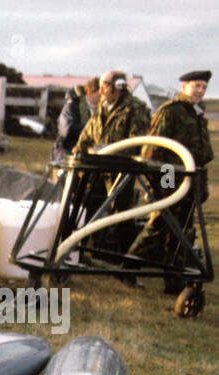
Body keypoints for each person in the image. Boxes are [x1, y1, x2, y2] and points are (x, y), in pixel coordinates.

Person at [127, 70, 212, 294]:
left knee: (182, 232)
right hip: (171, 182)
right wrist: (164, 186)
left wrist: (201, 187)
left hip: (190, 183)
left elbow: (201, 156)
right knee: (158, 227)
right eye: (196, 86)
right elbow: (153, 153)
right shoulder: (169, 112)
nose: (200, 91)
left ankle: (174, 282)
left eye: (203, 87)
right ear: (183, 86)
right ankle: (128, 267)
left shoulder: (197, 114)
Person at [74, 70, 153, 279]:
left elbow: (138, 142)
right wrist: (79, 148)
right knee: (86, 208)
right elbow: (89, 132)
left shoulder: (136, 109)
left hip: (121, 170)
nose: (100, 91)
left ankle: (128, 266)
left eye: (104, 86)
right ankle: (81, 254)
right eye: (100, 87)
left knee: (121, 215)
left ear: (118, 87)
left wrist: (110, 150)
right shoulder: (102, 106)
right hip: (97, 169)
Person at [52, 77, 101, 164]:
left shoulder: (101, 110)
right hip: (66, 155)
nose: (102, 98)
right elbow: (67, 130)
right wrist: (91, 127)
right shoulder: (72, 106)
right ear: (89, 92)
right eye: (99, 95)